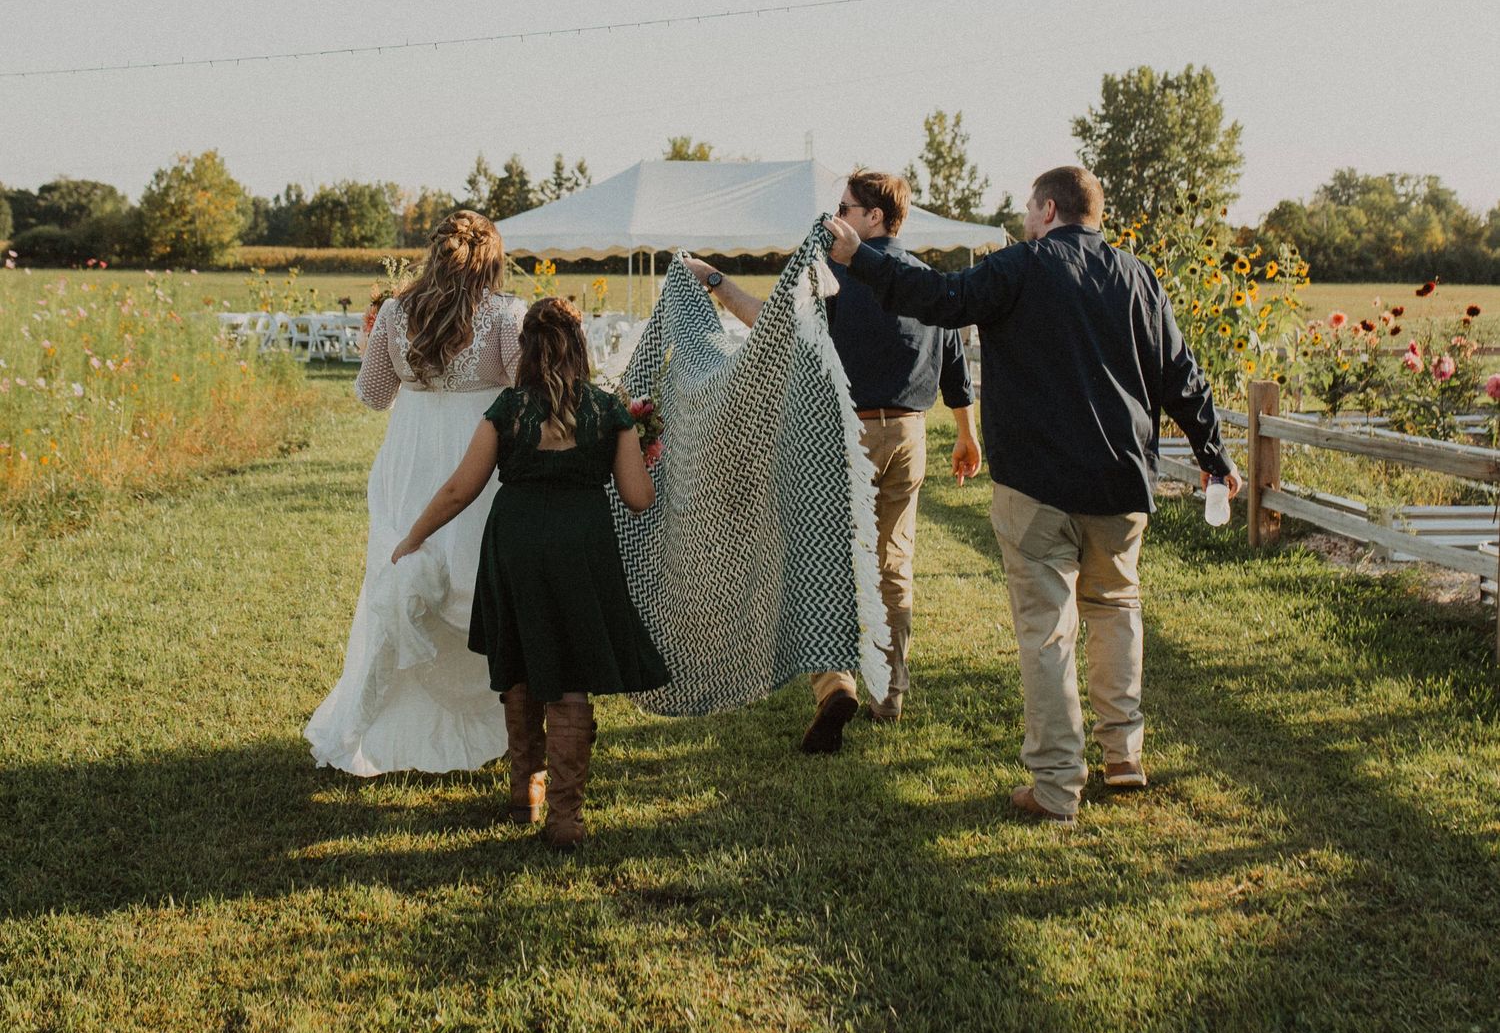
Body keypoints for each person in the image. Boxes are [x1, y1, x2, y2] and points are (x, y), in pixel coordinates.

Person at [826, 165, 1241, 822]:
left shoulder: (1018, 266)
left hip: (1039, 484)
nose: (1023, 215)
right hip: (1120, 480)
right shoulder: (1138, 277)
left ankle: (1055, 784)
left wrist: (861, 262)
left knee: (1048, 632)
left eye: (1027, 205)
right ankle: (1123, 754)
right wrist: (1216, 457)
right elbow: (1181, 375)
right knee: (1116, 610)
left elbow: (940, 299)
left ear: (1049, 208)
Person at [685, 168, 981, 755]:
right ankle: (889, 695)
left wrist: (716, 281)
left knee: (816, 552)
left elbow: (772, 329)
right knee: (893, 563)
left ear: (874, 217)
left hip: (849, 435)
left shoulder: (840, 276)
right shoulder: (927, 278)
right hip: (911, 436)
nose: (834, 216)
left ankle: (835, 684)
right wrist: (967, 435)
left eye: (845, 206)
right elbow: (955, 369)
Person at [392, 297, 667, 849]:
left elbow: (458, 490)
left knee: (519, 663)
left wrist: (413, 537)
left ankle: (525, 790)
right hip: (581, 551)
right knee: (570, 683)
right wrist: (646, 451)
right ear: (579, 347)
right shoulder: (608, 411)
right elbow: (639, 498)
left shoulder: (508, 410)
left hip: (516, 546)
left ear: (526, 349)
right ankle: (567, 818)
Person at [304, 209, 525, 777]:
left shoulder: (398, 312)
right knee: (476, 581)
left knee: (405, 575)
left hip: (409, 461)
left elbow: (375, 395)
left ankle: (383, 719)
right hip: (479, 457)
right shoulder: (505, 315)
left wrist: (370, 341)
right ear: (493, 260)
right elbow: (529, 391)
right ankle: (501, 719)